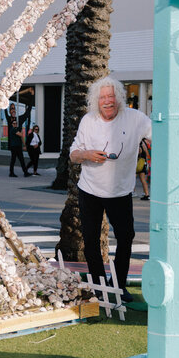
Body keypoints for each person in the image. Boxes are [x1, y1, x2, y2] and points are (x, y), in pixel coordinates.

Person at [69, 76, 151, 302]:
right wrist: (87, 154)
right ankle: (97, 285)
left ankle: (118, 285)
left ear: (119, 98)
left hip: (120, 192)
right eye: (103, 97)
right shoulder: (88, 120)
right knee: (91, 239)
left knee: (126, 237)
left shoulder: (136, 119)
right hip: (90, 190)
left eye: (112, 96)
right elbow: (73, 154)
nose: (108, 101)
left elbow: (159, 135)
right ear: (97, 100)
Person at [5, 102, 31, 178]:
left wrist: (31, 97)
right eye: (11, 108)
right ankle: (16, 172)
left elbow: (27, 113)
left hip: (18, 144)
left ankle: (21, 172)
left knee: (19, 159)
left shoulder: (19, 120)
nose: (13, 110)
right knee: (16, 159)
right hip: (14, 145)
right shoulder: (9, 120)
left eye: (14, 108)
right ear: (10, 111)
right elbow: (4, 110)